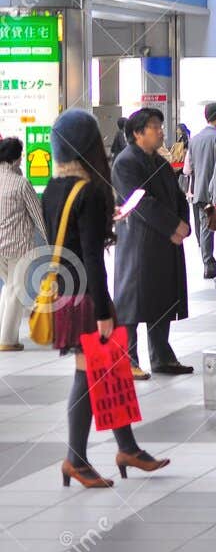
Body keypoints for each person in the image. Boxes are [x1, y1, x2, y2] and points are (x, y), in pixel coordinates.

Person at [44, 110, 170, 487]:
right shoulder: (89, 190)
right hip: (88, 299)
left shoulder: (53, 189)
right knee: (87, 376)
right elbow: (92, 258)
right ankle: (75, 460)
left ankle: (127, 447)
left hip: (66, 295)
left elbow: (65, 245)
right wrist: (102, 311)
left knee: (109, 372)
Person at [112, 107, 193, 379]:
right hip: (139, 243)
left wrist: (183, 224)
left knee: (161, 298)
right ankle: (127, 359)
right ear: (137, 133)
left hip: (165, 242)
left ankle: (162, 356)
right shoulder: (125, 162)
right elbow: (140, 202)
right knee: (132, 302)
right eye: (154, 127)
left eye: (159, 125)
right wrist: (173, 226)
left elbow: (179, 196)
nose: (160, 131)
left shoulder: (159, 162)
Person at [0, 138, 47, 350]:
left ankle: (3, 333)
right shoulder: (21, 184)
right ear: (17, 158)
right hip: (18, 245)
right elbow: (38, 216)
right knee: (15, 289)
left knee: (8, 287)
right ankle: (8, 340)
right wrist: (50, 241)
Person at [187, 103, 216, 280]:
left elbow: (191, 167)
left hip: (199, 191)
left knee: (204, 228)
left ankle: (208, 264)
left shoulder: (194, 139)